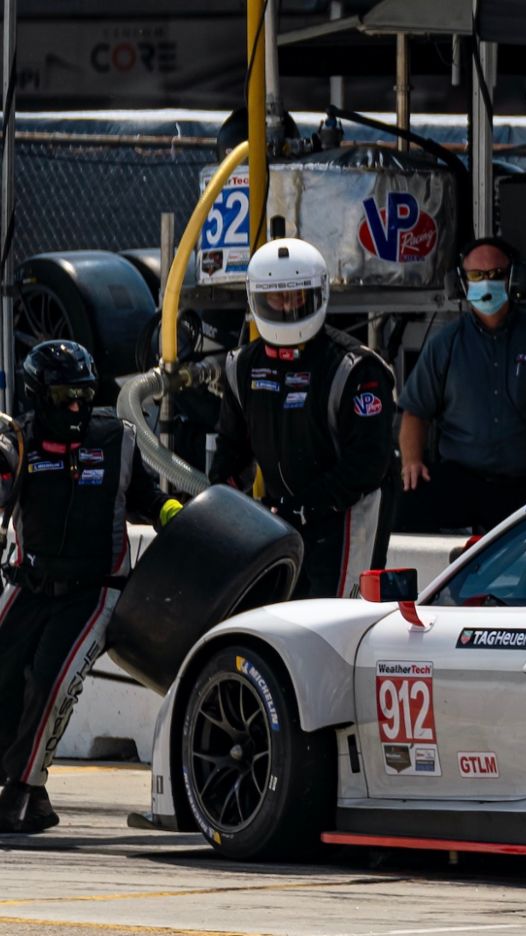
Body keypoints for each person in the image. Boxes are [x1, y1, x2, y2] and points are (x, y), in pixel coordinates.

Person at [0, 341, 183, 833]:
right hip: (31, 583)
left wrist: (177, 518)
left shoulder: (116, 438)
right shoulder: (17, 441)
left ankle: (19, 790)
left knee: (50, 682)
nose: (78, 407)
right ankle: (32, 796)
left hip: (97, 590)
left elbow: (150, 497)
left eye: (84, 394)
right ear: (40, 397)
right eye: (65, 397)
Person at [210, 238, 395, 599]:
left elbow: (369, 464)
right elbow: (232, 450)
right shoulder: (241, 366)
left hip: (347, 518)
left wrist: (305, 507)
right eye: (277, 298)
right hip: (282, 521)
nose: (288, 306)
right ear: (256, 300)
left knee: (338, 623)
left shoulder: (355, 366)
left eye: (298, 296)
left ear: (320, 293)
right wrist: (222, 501)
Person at [398, 238, 526, 533]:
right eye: (477, 276)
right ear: (462, 282)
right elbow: (415, 412)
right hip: (461, 481)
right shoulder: (444, 344)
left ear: (513, 277)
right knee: (405, 510)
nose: (486, 283)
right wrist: (411, 461)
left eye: (495, 274)